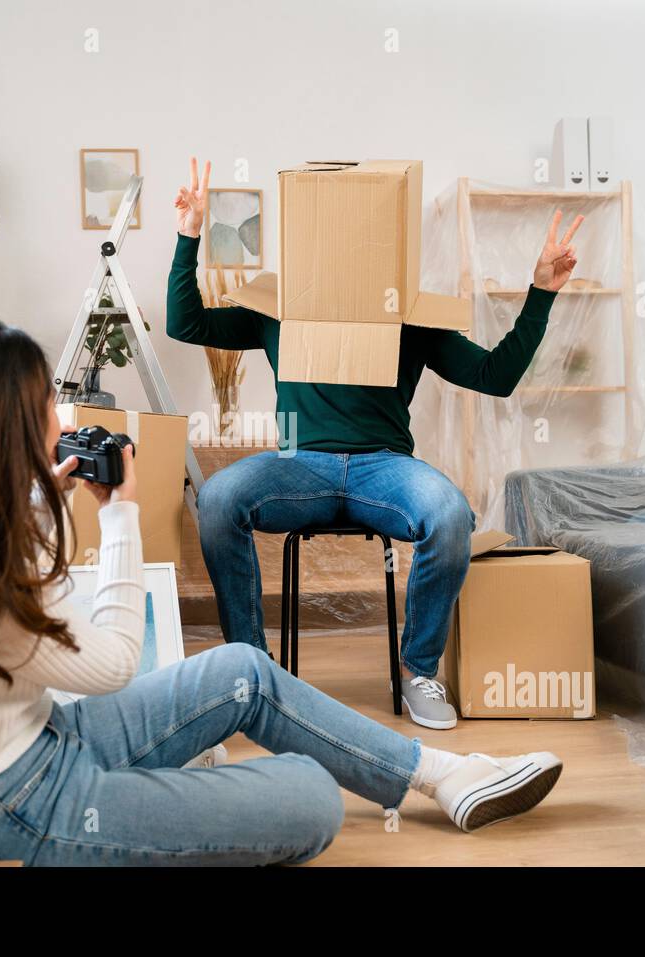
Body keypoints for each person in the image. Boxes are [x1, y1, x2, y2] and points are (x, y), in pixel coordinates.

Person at [0, 319, 563, 866]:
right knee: (311, 795)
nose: (60, 422)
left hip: (42, 744)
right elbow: (112, 662)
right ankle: (414, 776)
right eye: (45, 409)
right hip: (16, 808)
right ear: (2, 435)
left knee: (244, 670)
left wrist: (37, 500)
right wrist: (118, 514)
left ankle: (443, 774)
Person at [168, 158, 584, 730]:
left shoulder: (411, 316)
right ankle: (252, 669)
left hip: (383, 469)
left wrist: (540, 293)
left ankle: (418, 672)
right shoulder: (280, 308)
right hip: (298, 465)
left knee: (448, 513)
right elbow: (186, 325)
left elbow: (496, 377)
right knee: (218, 499)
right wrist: (189, 236)